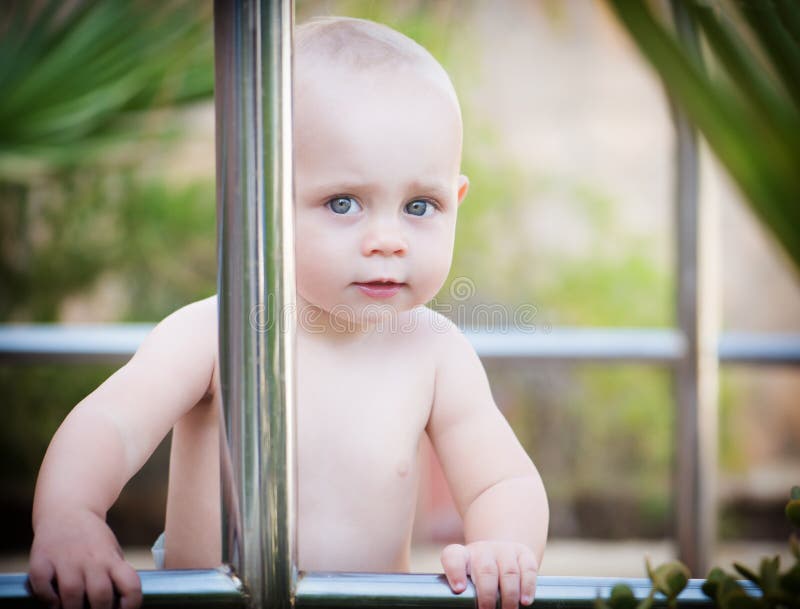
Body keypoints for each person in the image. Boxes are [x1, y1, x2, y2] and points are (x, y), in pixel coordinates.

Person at [28, 16, 549, 609]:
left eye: (419, 205)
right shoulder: (215, 332)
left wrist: (503, 546)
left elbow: (501, 480)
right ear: (265, 199)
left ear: (456, 202)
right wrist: (71, 517)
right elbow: (111, 427)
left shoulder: (433, 351)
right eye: (344, 202)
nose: (388, 239)